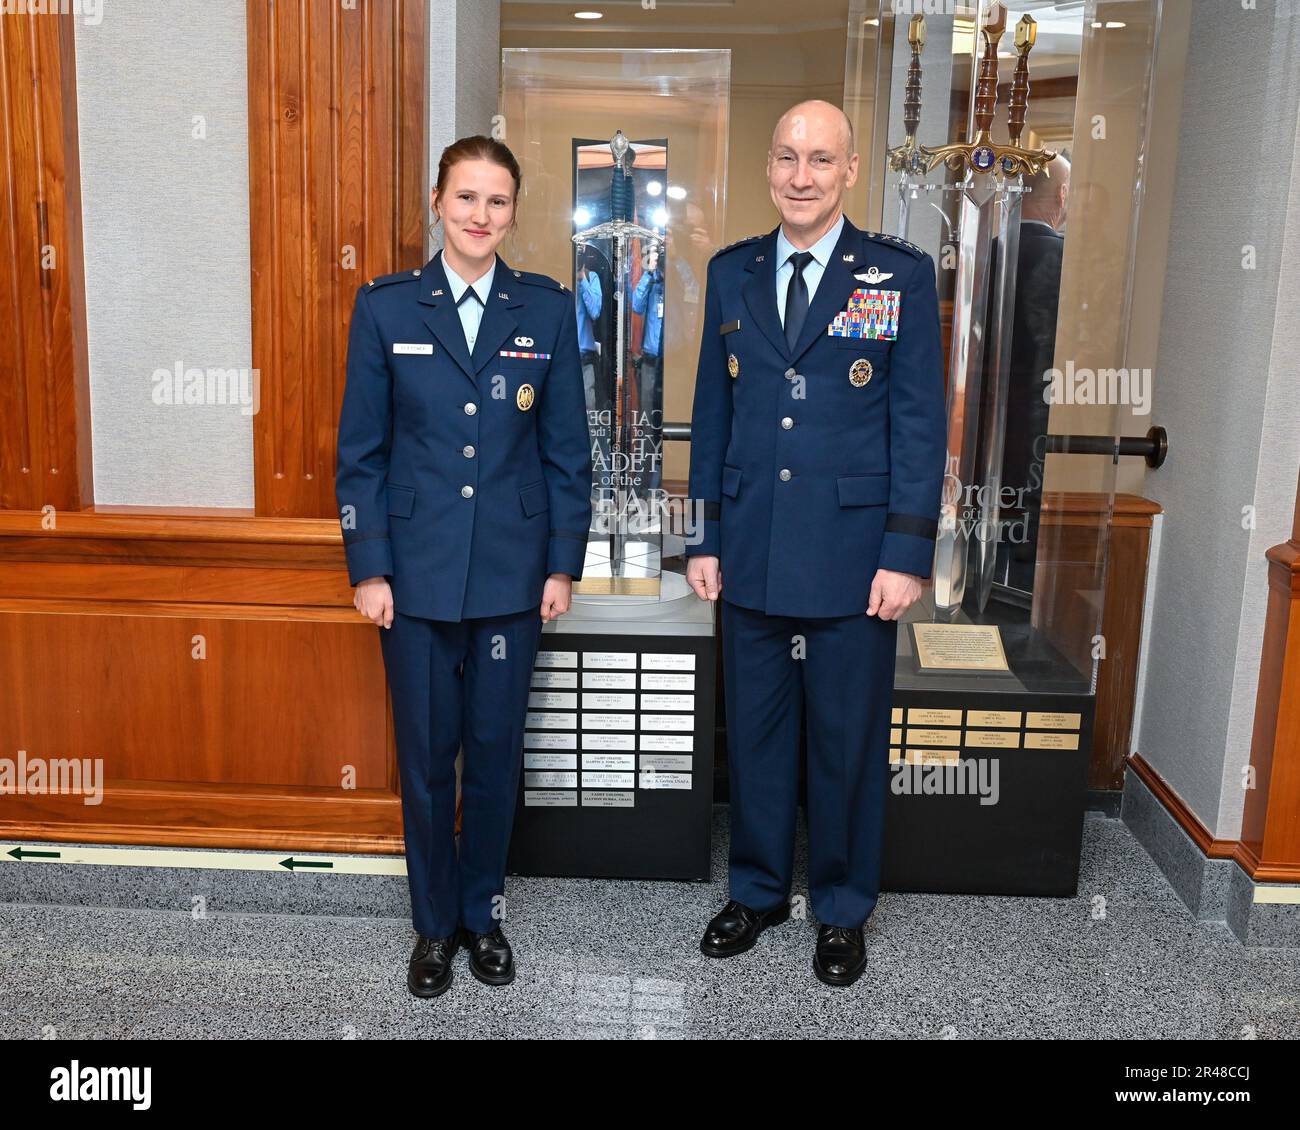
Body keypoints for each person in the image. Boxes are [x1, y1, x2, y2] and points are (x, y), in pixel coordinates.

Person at [684, 100, 946, 986]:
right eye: (788, 157)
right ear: (768, 166)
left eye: (820, 160)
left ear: (850, 170)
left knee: (844, 743)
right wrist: (702, 536)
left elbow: (917, 425)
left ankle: (839, 907)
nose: (802, 176)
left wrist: (907, 552)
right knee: (754, 739)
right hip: (751, 552)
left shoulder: (897, 277)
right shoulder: (732, 273)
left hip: (852, 558)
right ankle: (756, 893)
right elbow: (712, 417)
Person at [335, 135, 592, 999]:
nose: (480, 216)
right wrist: (369, 568)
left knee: (492, 753)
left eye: (497, 201)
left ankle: (483, 915)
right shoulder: (386, 309)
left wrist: (562, 565)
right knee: (424, 757)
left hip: (513, 581)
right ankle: (433, 926)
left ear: (514, 212)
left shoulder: (548, 310)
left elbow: (567, 456)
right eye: (466, 198)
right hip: (411, 580)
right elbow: (360, 457)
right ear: (437, 203)